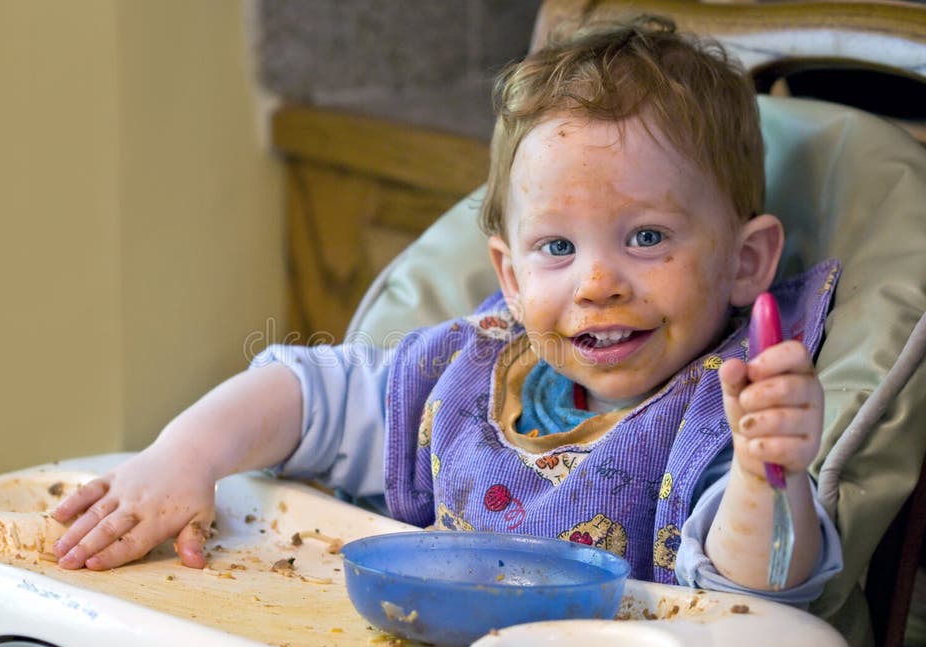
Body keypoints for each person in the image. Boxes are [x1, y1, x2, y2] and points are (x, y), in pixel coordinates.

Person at [52, 14, 841, 602]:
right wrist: (185, 457)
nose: (597, 283)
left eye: (645, 236)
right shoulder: (462, 379)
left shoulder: (727, 415)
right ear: (508, 272)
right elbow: (306, 392)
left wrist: (767, 473)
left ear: (745, 262)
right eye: (557, 249)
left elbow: (753, 600)